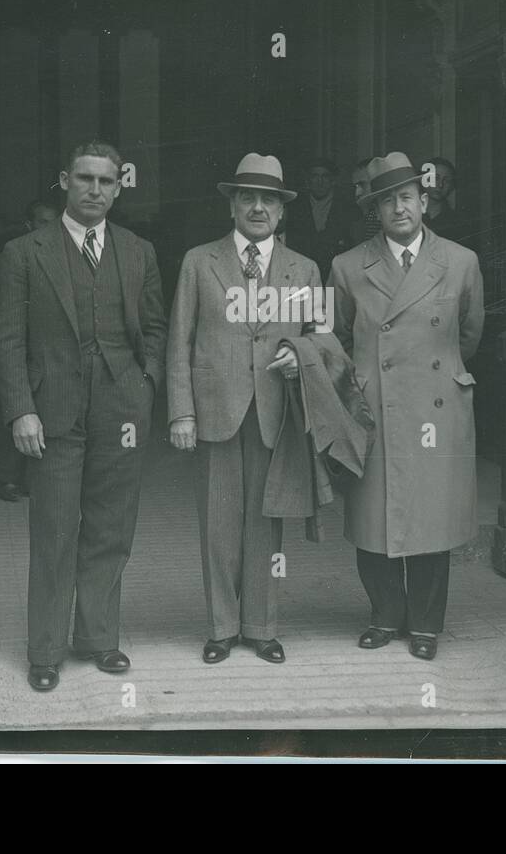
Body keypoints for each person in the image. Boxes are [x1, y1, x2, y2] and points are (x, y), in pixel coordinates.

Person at [0, 140, 167, 690]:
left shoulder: (139, 251)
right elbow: (6, 339)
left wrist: (145, 384)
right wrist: (21, 410)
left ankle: (98, 638)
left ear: (119, 187)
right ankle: (44, 651)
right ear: (65, 180)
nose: (95, 190)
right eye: (85, 179)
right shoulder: (24, 253)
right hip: (53, 410)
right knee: (55, 529)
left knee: (111, 528)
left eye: (106, 182)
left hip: (123, 409)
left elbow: (155, 328)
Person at [167, 153, 322, 666]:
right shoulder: (198, 261)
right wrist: (181, 412)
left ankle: (261, 626)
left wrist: (302, 358)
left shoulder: (304, 268)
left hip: (275, 410)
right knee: (218, 522)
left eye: (269, 200)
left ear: (281, 212)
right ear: (233, 205)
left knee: (266, 522)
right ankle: (221, 628)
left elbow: (321, 341)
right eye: (249, 198)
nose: (259, 208)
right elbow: (179, 342)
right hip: (215, 409)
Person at [329, 151, 485, 661]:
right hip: (374, 406)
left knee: (430, 519)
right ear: (375, 209)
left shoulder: (460, 261)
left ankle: (426, 623)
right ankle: (383, 614)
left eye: (406, 196)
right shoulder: (349, 266)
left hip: (436, 408)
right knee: (373, 518)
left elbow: (469, 333)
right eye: (386, 200)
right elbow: (338, 334)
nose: (398, 207)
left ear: (425, 201)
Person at [0, 198, 59, 502]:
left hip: (50, 350)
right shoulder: (13, 254)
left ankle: (32, 478)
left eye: (54, 221)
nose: (51, 228)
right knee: (20, 411)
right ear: (29, 225)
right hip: (23, 349)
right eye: (44, 222)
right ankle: (7, 478)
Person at [281, 157, 361, 281]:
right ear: (308, 181)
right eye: (315, 176)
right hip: (301, 276)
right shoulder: (295, 207)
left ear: (332, 181)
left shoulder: (347, 208)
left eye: (325, 176)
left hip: (336, 278)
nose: (320, 181)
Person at [421, 156, 463, 240]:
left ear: (451, 186)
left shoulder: (457, 222)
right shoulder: (411, 215)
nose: (440, 185)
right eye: (435, 178)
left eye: (446, 180)